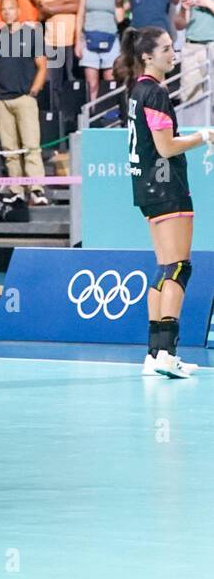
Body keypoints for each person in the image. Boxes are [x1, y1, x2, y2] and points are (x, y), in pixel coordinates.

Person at [116, 27, 214, 379]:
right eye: (167, 49)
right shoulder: (154, 93)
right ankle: (167, 355)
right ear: (147, 56)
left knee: (164, 267)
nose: (174, 54)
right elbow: (166, 147)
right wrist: (203, 137)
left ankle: (155, 353)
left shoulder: (136, 91)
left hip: (147, 190)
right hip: (167, 188)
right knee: (177, 268)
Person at [0, 0, 49, 204]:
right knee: (10, 148)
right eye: (3, 9)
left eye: (10, 9)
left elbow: (42, 65)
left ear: (18, 11)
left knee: (31, 145)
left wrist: (34, 89)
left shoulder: (31, 34)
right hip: (1, 98)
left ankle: (36, 188)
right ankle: (16, 188)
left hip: (25, 97)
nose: (7, 12)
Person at [76, 0, 125, 103]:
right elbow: (80, 14)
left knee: (110, 83)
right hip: (89, 39)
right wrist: (77, 40)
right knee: (92, 84)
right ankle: (92, 115)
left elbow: (120, 18)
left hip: (111, 39)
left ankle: (109, 117)